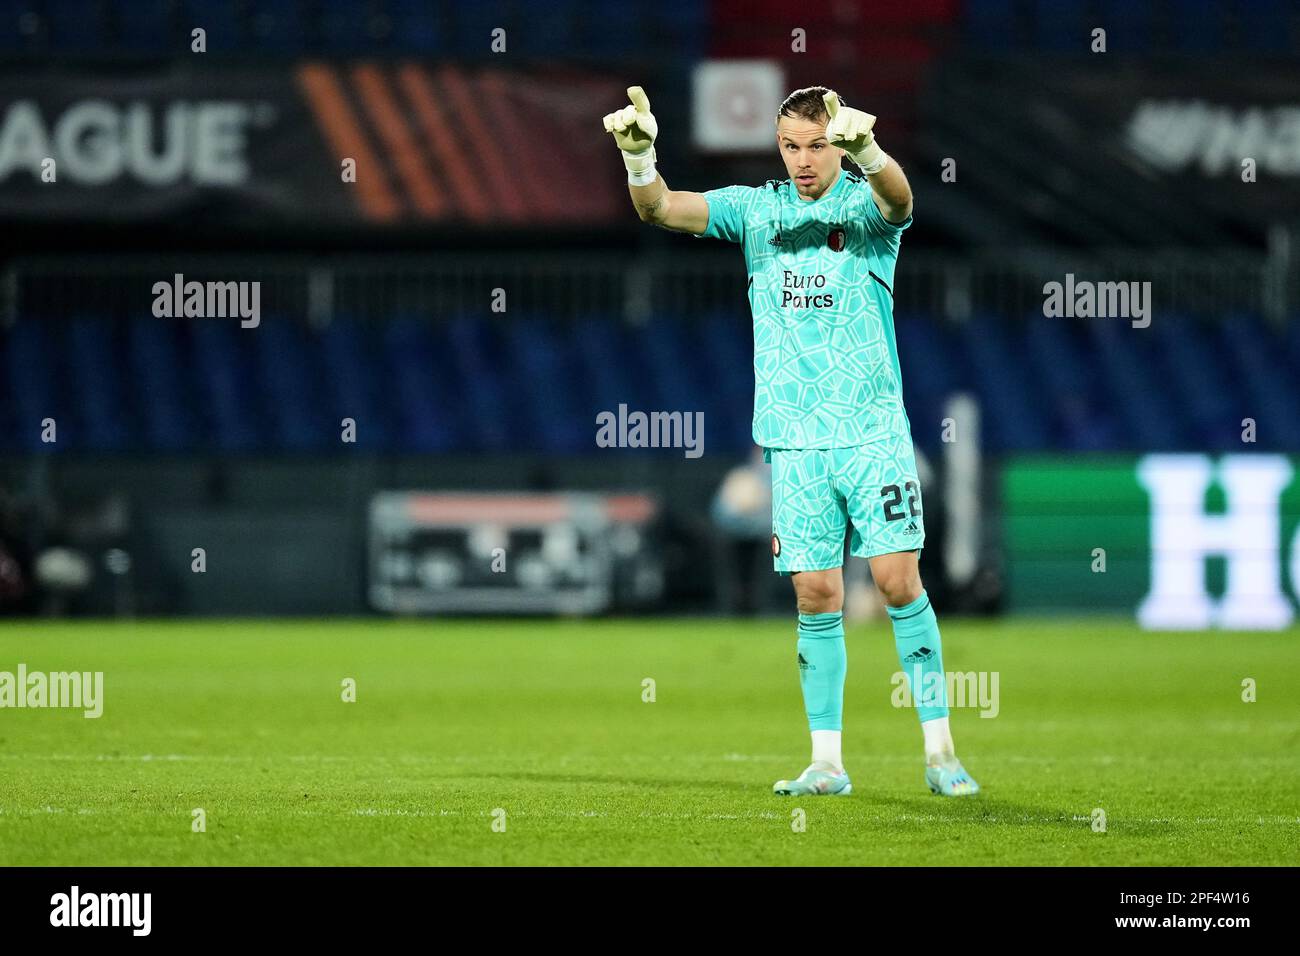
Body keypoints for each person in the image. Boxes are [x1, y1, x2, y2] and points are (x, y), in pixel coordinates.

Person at [604, 85, 979, 797]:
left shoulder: (866, 212)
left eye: (817, 145)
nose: (804, 160)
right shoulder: (756, 209)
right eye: (791, 145)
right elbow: (660, 208)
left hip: (871, 434)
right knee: (815, 594)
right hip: (794, 441)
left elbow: (901, 200)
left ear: (839, 145)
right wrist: (640, 156)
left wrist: (871, 151)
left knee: (898, 582)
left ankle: (941, 755)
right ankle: (827, 763)